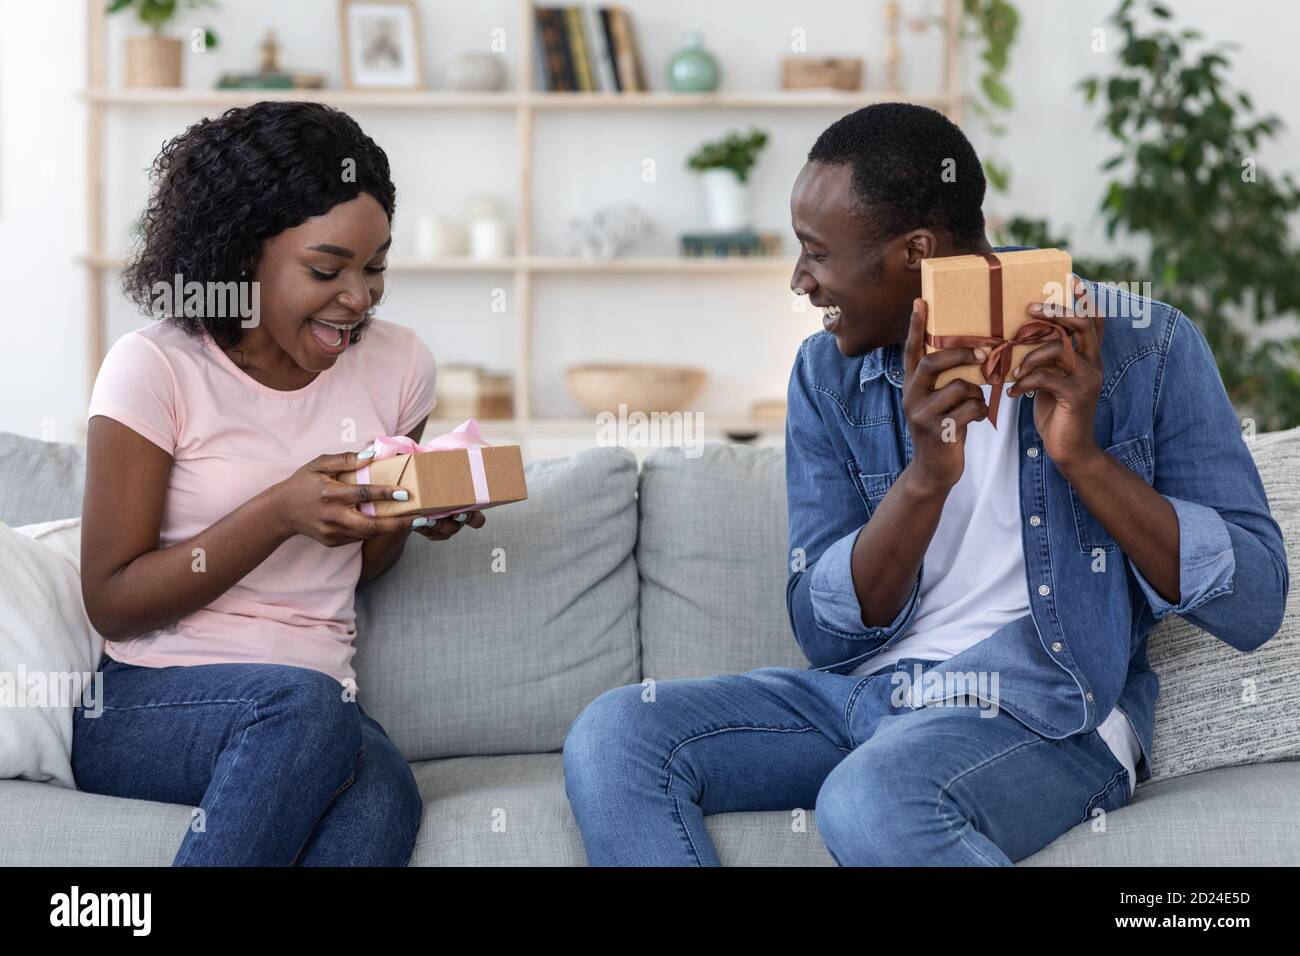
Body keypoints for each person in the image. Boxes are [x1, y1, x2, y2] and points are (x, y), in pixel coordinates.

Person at [563, 103, 1288, 866]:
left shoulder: (1150, 347)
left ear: (915, 251)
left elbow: (1256, 602)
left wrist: (1082, 457)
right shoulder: (826, 374)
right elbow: (825, 632)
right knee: (618, 734)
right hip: (867, 700)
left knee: (872, 799)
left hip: (1045, 709)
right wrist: (926, 479)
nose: (799, 281)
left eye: (816, 253)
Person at [73, 100, 484, 866]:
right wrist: (277, 513)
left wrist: (407, 508)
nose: (358, 297)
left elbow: (362, 569)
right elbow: (112, 602)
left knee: (383, 792)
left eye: (376, 267)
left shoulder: (401, 367)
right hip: (148, 702)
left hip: (319, 700)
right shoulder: (155, 366)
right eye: (327, 270)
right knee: (306, 710)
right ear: (237, 257)